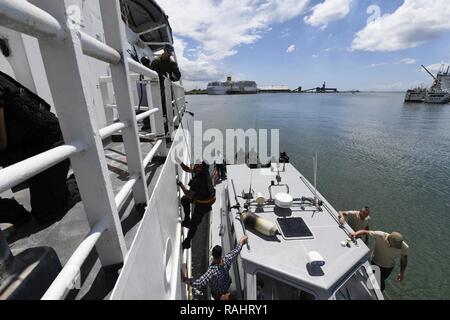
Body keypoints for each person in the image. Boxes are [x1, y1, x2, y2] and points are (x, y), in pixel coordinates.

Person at [0, 70, 79, 225]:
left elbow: (1, 141)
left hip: (48, 144)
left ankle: (79, 182)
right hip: (24, 146)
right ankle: (14, 213)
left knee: (46, 215)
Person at [192, 235, 248, 300]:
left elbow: (199, 283)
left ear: (213, 256)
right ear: (221, 254)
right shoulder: (227, 259)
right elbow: (236, 251)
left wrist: (187, 280)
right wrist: (241, 241)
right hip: (226, 287)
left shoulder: (212, 271)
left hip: (218, 295)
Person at [141, 45, 181, 132]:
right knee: (153, 104)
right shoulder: (155, 62)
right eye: (168, 53)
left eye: (171, 54)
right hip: (155, 86)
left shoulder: (172, 64)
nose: (169, 55)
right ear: (164, 50)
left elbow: (178, 76)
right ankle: (148, 123)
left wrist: (171, 78)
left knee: (167, 105)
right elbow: (150, 74)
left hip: (166, 87)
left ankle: (169, 123)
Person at [177, 161, 215, 249]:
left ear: (201, 168)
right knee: (184, 200)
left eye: (198, 165)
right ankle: (186, 220)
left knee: (194, 223)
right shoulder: (202, 171)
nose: (195, 165)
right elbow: (187, 169)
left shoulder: (199, 179)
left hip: (204, 204)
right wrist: (180, 162)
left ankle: (187, 241)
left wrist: (181, 184)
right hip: (201, 197)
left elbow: (189, 194)